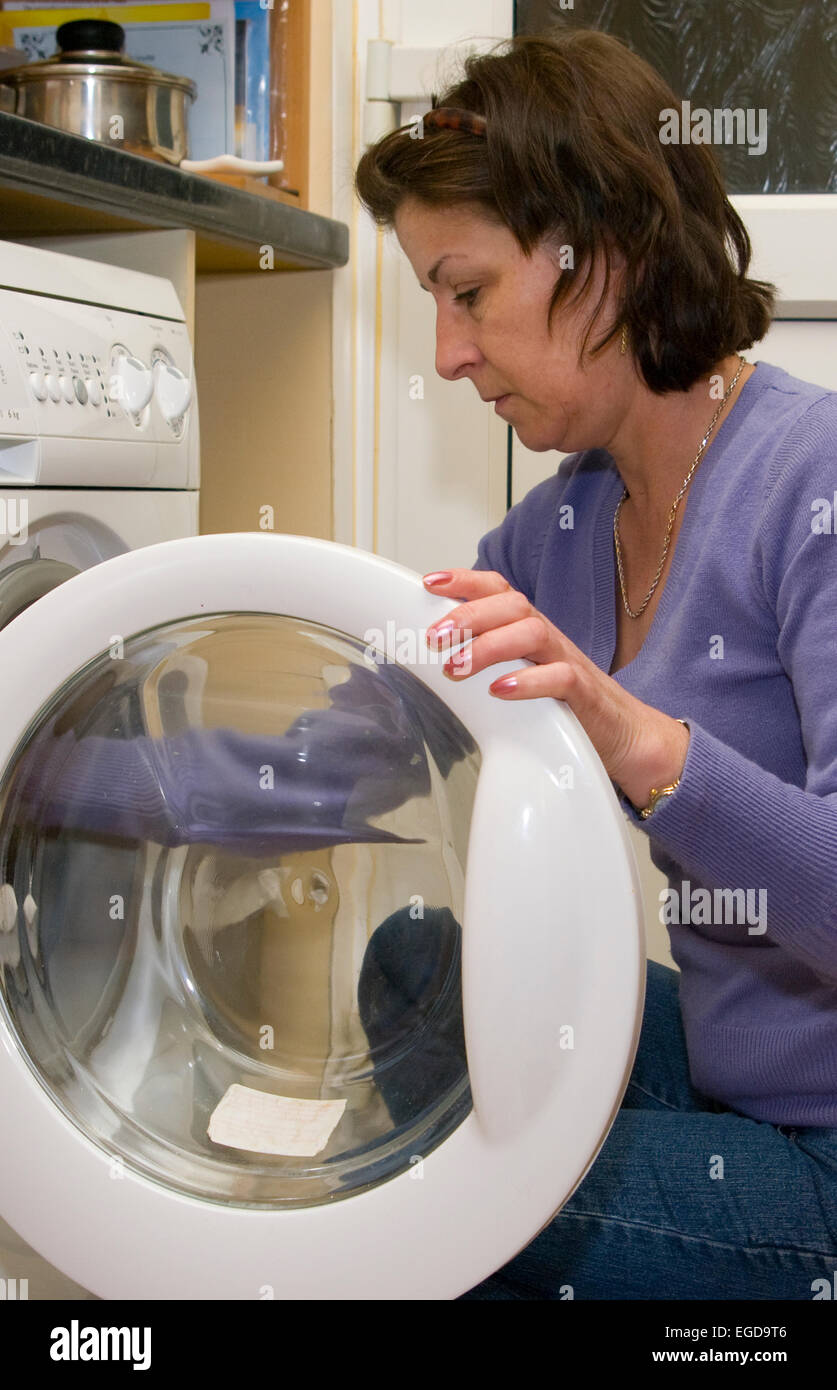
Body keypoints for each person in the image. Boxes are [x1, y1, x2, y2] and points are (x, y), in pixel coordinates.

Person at [353, 28, 837, 1298]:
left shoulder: (812, 480)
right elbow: (338, 761)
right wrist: (69, 761)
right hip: (737, 1081)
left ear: (604, 254)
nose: (448, 356)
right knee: (415, 963)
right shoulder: (560, 529)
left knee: (448, 1217)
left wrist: (636, 736)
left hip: (828, 1149)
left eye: (468, 293)